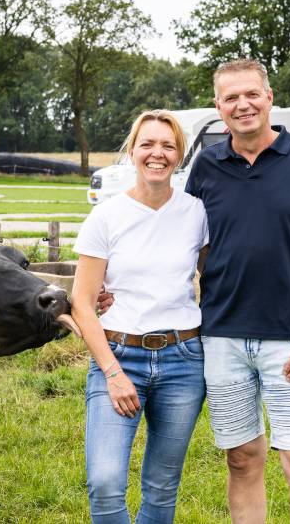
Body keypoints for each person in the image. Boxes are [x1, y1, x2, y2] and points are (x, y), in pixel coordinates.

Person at [185, 58, 290, 523]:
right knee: (241, 459)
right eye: (230, 98)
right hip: (222, 336)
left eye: (250, 94)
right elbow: (187, 247)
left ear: (269, 96)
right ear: (218, 107)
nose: (242, 105)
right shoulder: (206, 166)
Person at [71, 110, 209, 524]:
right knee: (106, 480)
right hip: (119, 354)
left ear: (179, 156)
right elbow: (81, 301)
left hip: (183, 359)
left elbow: (225, 277)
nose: (157, 153)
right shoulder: (106, 217)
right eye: (147, 144)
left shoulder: (196, 213)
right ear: (132, 151)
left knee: (163, 486)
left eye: (168, 146)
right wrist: (112, 373)